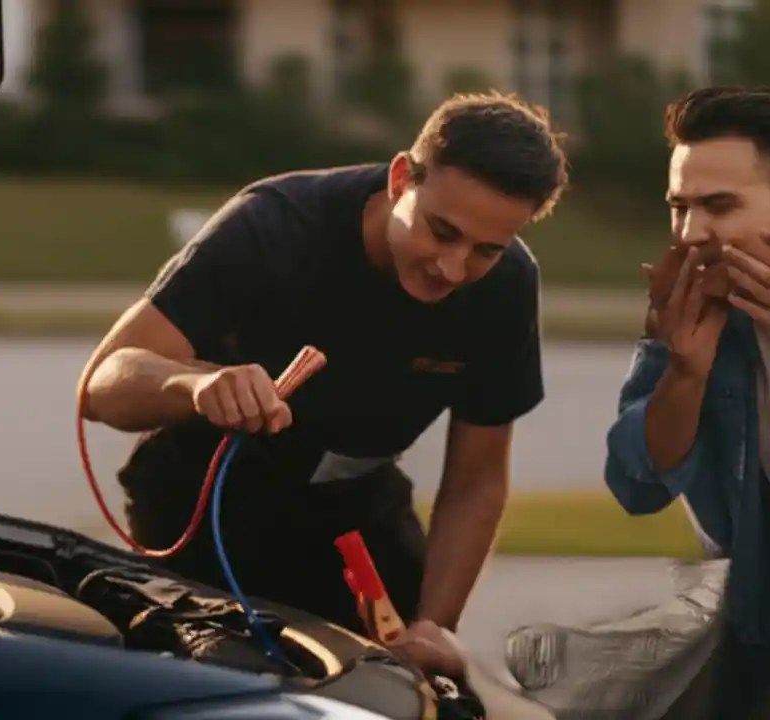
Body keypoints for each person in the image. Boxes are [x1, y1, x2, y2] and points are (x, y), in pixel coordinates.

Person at [78, 91, 569, 672]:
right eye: (441, 232)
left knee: (404, 688)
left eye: (486, 250)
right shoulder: (273, 225)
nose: (453, 269)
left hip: (354, 517)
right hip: (204, 507)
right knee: (222, 692)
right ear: (400, 179)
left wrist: (435, 626)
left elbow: (477, 481)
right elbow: (102, 383)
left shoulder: (508, 286)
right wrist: (195, 385)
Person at [604, 85, 770, 718]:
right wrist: (684, 371)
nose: (691, 233)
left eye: (717, 205)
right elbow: (636, 485)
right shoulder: (713, 320)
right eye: (679, 207)